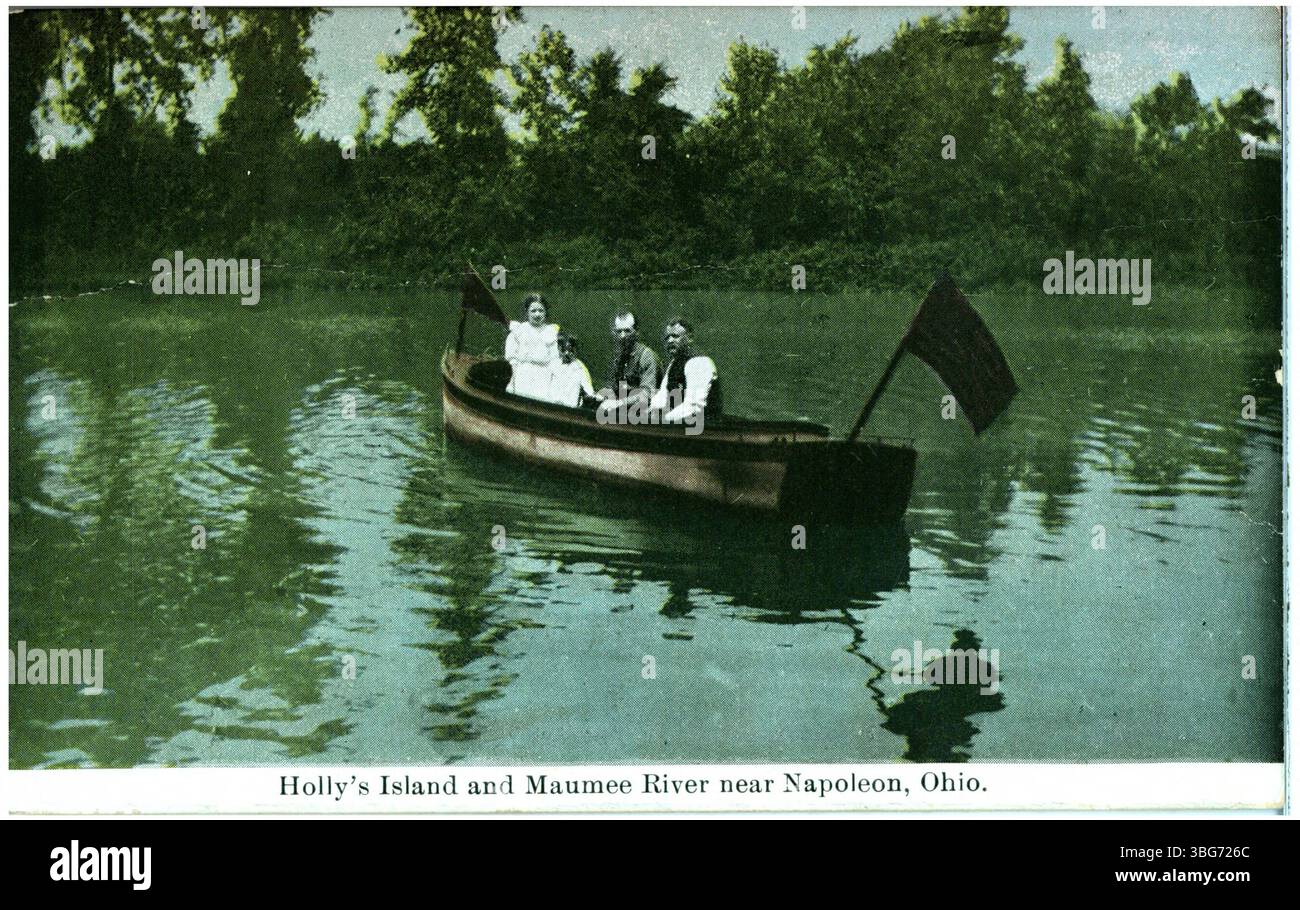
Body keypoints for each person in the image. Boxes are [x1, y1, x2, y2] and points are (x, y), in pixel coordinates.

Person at [652, 317, 722, 424]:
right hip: (680, 423)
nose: (670, 340)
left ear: (689, 338)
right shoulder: (674, 364)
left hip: (703, 428)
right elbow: (662, 397)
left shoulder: (699, 362)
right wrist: (649, 412)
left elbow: (693, 408)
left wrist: (663, 420)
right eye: (667, 337)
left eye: (675, 336)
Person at [595, 310, 659, 420]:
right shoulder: (619, 357)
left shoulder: (646, 356)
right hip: (626, 413)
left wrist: (619, 403)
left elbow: (646, 396)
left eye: (627, 331)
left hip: (646, 417)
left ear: (636, 332)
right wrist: (599, 395)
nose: (623, 336)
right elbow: (613, 387)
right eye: (618, 331)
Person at [504, 293, 559, 401]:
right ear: (527, 312)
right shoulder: (519, 331)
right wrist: (515, 375)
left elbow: (555, 359)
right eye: (533, 311)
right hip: (522, 373)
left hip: (544, 375)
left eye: (541, 311)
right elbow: (511, 357)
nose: (537, 315)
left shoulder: (551, 332)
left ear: (545, 312)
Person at [547, 333, 596, 408]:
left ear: (575, 351)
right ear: (559, 349)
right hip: (550, 405)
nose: (567, 353)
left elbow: (589, 391)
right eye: (563, 350)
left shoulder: (580, 368)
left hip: (569, 409)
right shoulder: (553, 364)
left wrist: (591, 396)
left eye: (570, 351)